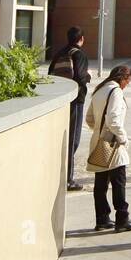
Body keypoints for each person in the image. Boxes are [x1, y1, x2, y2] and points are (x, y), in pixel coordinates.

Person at [86, 65, 131, 233]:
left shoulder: (99, 89)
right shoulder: (115, 91)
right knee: (119, 181)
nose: (127, 85)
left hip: (98, 141)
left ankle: (102, 218)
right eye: (128, 81)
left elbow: (89, 118)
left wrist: (98, 131)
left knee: (101, 183)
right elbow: (113, 119)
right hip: (113, 142)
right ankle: (122, 219)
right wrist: (123, 137)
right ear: (123, 79)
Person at [49, 26, 91, 192]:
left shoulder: (59, 53)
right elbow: (80, 77)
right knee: (72, 140)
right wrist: (87, 77)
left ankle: (57, 175)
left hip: (59, 100)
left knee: (61, 137)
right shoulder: (79, 54)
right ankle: (68, 179)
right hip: (75, 102)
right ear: (81, 39)